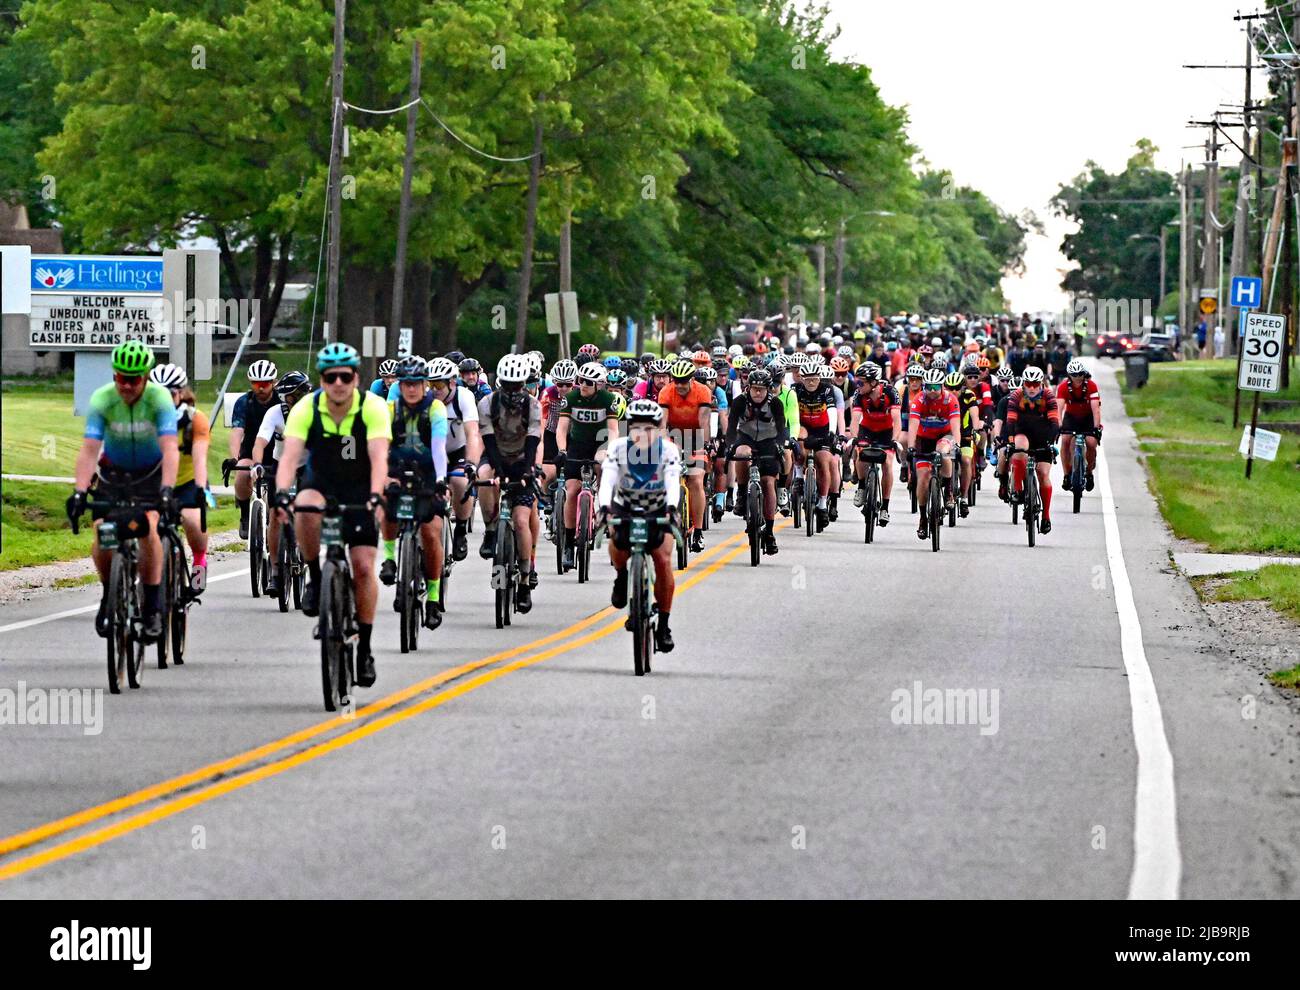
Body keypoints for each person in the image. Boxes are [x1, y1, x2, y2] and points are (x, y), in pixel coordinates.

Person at [275, 343, 391, 688]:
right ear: (321, 380)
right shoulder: (306, 408)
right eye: (330, 377)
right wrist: (282, 493)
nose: (338, 383)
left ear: (356, 377)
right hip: (321, 481)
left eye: (346, 376)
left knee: (365, 566)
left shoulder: (373, 407)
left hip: (360, 486)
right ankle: (314, 576)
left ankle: (365, 648)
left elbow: (379, 456)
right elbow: (290, 456)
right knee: (304, 508)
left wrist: (376, 495)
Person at [68, 341, 179, 643]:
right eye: (121, 378)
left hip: (150, 475)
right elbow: (89, 450)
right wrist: (79, 491)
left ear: (145, 377)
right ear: (114, 376)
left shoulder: (160, 401)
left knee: (148, 527)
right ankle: (109, 592)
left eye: (134, 379)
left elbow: (170, 448)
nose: (127, 385)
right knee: (103, 532)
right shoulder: (102, 399)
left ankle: (153, 606)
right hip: (113, 474)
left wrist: (168, 489)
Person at [600, 399, 682, 653]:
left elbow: (672, 482)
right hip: (625, 504)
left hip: (658, 507)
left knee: (663, 558)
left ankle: (664, 626)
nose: (643, 434)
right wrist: (603, 508)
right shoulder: (617, 448)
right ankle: (622, 575)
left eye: (649, 428)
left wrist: (671, 509)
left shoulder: (668, 451)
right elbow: (607, 481)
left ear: (658, 429)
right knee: (617, 539)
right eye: (637, 428)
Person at [380, 356, 449, 630]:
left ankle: (432, 598)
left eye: (416, 384)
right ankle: (388, 558)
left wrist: (442, 479)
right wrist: (380, 475)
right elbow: (379, 443)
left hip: (428, 472)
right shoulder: (389, 409)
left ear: (424, 385)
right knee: (386, 501)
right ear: (400, 384)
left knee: (432, 532)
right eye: (406, 383)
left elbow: (439, 446)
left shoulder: (435, 409)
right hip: (395, 468)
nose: (411, 389)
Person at [476, 354, 543, 613]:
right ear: (499, 382)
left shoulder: (533, 405)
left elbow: (533, 440)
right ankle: (491, 529)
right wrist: (498, 471)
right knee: (483, 476)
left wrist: (528, 472)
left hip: (522, 459)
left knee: (522, 519)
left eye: (518, 386)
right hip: (496, 455)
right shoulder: (487, 403)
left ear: (524, 383)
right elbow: (488, 440)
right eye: (508, 385)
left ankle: (525, 579)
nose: (513, 391)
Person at [149, 363, 211, 594]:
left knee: (192, 520)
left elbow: (200, 456)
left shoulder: (196, 419)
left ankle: (199, 560)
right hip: (154, 482)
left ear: (181, 394)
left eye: (171, 394)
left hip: (187, 480)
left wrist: (199, 488)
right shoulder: (144, 418)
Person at [252, 370, 313, 597]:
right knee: (276, 514)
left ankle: (309, 557)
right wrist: (256, 464)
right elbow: (260, 441)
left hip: (308, 466)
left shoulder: (316, 411)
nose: (288, 401)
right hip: (282, 465)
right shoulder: (275, 413)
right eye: (288, 397)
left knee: (309, 510)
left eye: (293, 396)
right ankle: (276, 572)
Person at [556, 362, 621, 571]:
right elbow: (562, 427)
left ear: (598, 385)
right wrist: (562, 450)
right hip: (577, 445)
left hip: (600, 442)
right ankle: (567, 542)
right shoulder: (571, 398)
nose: (583, 385)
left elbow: (613, 430)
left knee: (602, 468)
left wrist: (609, 450)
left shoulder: (608, 399)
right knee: (573, 490)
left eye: (588, 382)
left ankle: (603, 508)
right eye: (581, 380)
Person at [723, 368, 788, 555]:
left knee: (768, 482)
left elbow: (782, 427)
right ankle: (742, 493)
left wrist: (780, 445)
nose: (758, 393)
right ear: (748, 388)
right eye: (754, 389)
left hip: (769, 439)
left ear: (768, 389)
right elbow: (732, 428)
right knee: (742, 453)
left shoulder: (775, 403)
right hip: (746, 437)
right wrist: (730, 445)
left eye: (761, 389)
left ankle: (769, 531)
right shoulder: (739, 402)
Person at [425, 357, 482, 562]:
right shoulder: (426, 399)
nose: (434, 389)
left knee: (460, 481)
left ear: (451, 383)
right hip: (431, 451)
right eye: (430, 384)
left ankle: (460, 530)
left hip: (457, 451)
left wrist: (472, 464)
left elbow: (473, 433)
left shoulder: (463, 397)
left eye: (438, 384)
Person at [658, 358, 716, 552]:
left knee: (696, 481)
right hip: (674, 435)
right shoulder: (666, 391)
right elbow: (662, 423)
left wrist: (706, 444)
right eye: (677, 380)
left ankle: (698, 532)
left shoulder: (703, 391)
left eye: (684, 381)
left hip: (696, 437)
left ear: (692, 380)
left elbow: (704, 421)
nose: (680, 385)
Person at [906, 368, 960, 541]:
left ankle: (949, 490)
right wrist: (911, 447)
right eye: (929, 387)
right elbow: (913, 426)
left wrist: (956, 444)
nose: (932, 391)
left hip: (944, 435)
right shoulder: (919, 399)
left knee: (943, 452)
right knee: (922, 477)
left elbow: (955, 426)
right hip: (923, 437)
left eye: (936, 387)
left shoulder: (951, 399)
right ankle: (923, 517)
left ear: (942, 386)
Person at [228, 359, 279, 539]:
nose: (261, 388)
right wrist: (235, 459)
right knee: (242, 474)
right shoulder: (244, 402)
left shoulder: (281, 401)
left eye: (265, 384)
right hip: (251, 451)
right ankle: (244, 514)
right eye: (256, 384)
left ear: (273, 382)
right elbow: (236, 432)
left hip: (277, 451)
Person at [1004, 366, 1059, 534]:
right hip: (1023, 432)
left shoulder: (1048, 395)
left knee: (1043, 473)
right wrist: (1010, 440)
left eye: (1036, 384)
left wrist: (1051, 439)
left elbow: (1055, 422)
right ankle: (1019, 490)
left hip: (1042, 435)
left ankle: (1046, 517)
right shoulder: (1016, 395)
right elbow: (1011, 421)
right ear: (1024, 384)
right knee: (1019, 449)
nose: (1032, 387)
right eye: (1029, 384)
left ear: (1041, 383)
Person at [848, 362, 899, 525]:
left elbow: (897, 420)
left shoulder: (891, 392)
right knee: (861, 453)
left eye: (861, 382)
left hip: (886, 431)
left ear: (873, 382)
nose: (858, 385)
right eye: (857, 381)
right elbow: (855, 421)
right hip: (867, 429)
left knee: (887, 463)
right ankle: (862, 486)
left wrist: (895, 440)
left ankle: (885, 507)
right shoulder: (858, 395)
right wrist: (855, 437)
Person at [1056, 359, 1102, 493]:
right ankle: (1066, 474)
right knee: (1065, 441)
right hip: (1071, 417)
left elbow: (1096, 410)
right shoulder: (1063, 387)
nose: (1077, 378)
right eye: (1074, 375)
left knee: (1091, 443)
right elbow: (1059, 408)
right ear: (1069, 375)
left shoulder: (1091, 386)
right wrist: (1058, 425)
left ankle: (1089, 472)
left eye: (1080, 374)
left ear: (1084, 374)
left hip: (1088, 417)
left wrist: (1096, 428)